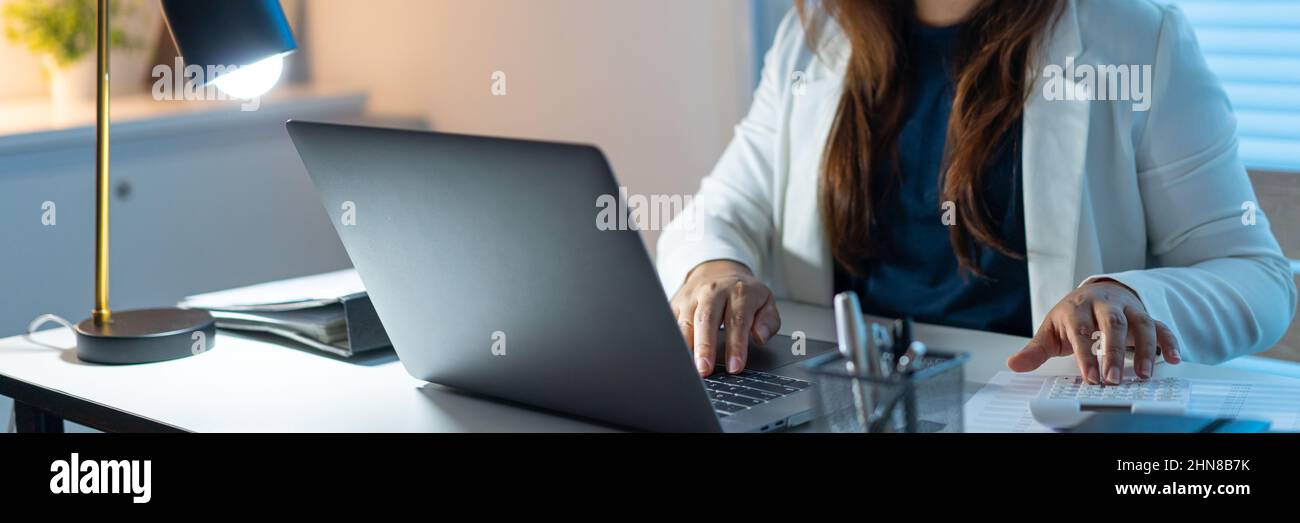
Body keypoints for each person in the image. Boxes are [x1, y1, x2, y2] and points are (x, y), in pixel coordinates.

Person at [656, 0, 1297, 385]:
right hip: (848, 399)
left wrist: (1129, 297)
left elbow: (1260, 279)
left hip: (1027, 402)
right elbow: (723, 209)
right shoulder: (815, 34)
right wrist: (714, 266)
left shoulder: (1135, 36)